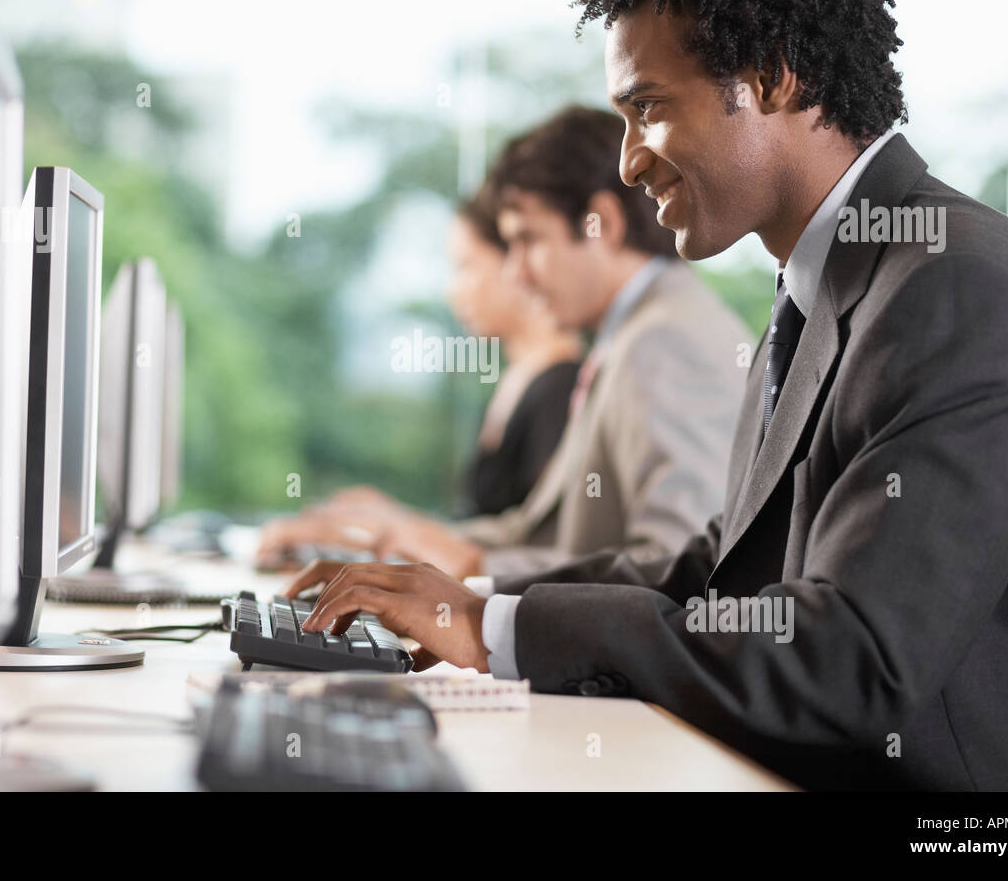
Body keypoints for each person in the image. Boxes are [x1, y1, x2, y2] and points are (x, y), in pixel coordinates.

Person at [283, 0, 1008, 791]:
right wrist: (460, 603)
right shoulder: (824, 284)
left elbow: (851, 660)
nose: (631, 161)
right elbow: (721, 565)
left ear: (775, 75)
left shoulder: (953, 287)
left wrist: (490, 625)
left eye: (649, 108)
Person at [261, 106, 751, 580]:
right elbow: (539, 535)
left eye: (529, 240)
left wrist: (479, 569)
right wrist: (403, 538)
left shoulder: (663, 340)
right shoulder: (636, 332)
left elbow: (682, 567)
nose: (516, 272)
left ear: (602, 222)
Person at [448, 193, 583, 517]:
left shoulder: (561, 387)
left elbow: (540, 542)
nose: (452, 290)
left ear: (514, 260)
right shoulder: (521, 376)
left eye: (465, 266)